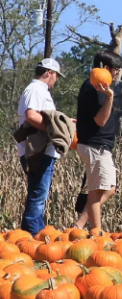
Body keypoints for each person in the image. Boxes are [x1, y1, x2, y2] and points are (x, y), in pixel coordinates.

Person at [73, 51, 122, 231]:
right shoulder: (95, 88)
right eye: (116, 69)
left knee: (109, 188)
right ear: (104, 68)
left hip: (100, 146)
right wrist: (110, 96)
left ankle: (79, 225)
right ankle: (96, 232)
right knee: (96, 192)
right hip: (95, 145)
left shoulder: (99, 86)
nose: (117, 73)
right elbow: (100, 120)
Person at [15, 58, 65, 235]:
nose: (56, 80)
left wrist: (64, 122)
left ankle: (31, 233)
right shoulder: (36, 89)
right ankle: (33, 234)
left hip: (43, 150)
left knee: (38, 194)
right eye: (56, 76)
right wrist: (55, 129)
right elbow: (31, 115)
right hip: (38, 151)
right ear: (49, 73)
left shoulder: (38, 89)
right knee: (38, 194)